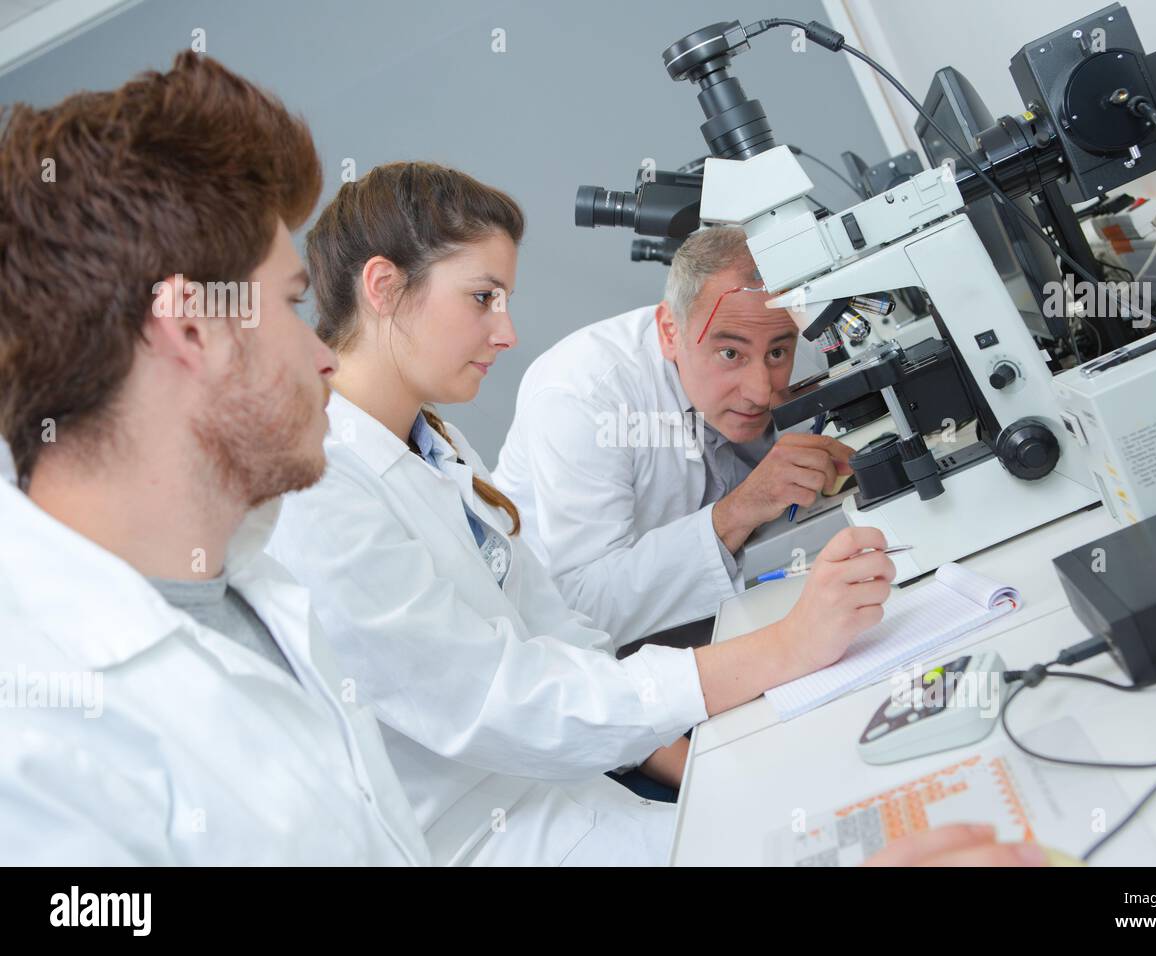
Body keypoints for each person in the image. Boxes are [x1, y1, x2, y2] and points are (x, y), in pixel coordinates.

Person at [267, 162, 897, 866]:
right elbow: (500, 701)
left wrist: (703, 750)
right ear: (385, 288)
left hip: (582, 790)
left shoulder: (432, 442)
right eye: (482, 297)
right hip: (487, 841)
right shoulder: (316, 489)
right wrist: (784, 648)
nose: (506, 332)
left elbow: (556, 630)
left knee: (855, 809)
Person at [0, 53, 428, 865]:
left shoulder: (246, 577)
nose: (325, 356)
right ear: (192, 328)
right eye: (294, 302)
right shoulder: (30, 742)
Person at [494, 227, 854, 647]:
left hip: (735, 599)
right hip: (594, 652)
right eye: (730, 354)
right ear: (669, 331)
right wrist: (740, 510)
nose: (760, 391)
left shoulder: (779, 325)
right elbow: (585, 603)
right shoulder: (582, 397)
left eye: (777, 353)